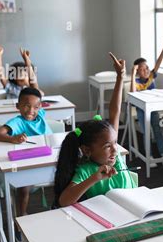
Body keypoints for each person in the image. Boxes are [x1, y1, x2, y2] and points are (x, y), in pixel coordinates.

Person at [54, 53, 137, 207]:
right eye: (107, 146)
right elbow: (63, 201)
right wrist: (94, 178)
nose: (114, 150)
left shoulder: (115, 158)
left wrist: (120, 77)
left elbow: (115, 111)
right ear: (87, 150)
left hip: (132, 210)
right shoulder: (85, 170)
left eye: (115, 143)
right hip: (108, 221)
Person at [0, 87, 53, 242]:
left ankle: (60, 213)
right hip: (27, 163)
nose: (31, 110)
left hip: (46, 159)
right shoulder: (17, 122)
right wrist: (13, 138)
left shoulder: (41, 115)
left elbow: (39, 93)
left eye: (35, 107)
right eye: (26, 105)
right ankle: (20, 219)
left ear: (40, 107)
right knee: (23, 187)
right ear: (18, 106)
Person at [130, 40, 163, 167]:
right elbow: (132, 93)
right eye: (142, 69)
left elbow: (158, 62)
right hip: (141, 110)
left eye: (147, 67)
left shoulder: (151, 77)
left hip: (153, 109)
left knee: (157, 130)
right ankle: (149, 156)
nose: (146, 70)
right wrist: (132, 74)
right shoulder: (136, 82)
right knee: (146, 132)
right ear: (137, 72)